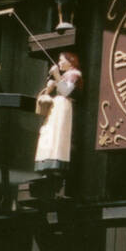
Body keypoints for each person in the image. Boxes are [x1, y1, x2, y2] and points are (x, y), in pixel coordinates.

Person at [35, 51, 82, 184]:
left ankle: (56, 164)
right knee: (51, 135)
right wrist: (51, 86)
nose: (59, 63)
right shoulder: (66, 75)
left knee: (59, 136)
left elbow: (66, 91)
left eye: (62, 60)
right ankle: (47, 163)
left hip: (64, 108)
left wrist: (56, 75)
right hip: (57, 107)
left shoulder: (74, 74)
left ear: (71, 61)